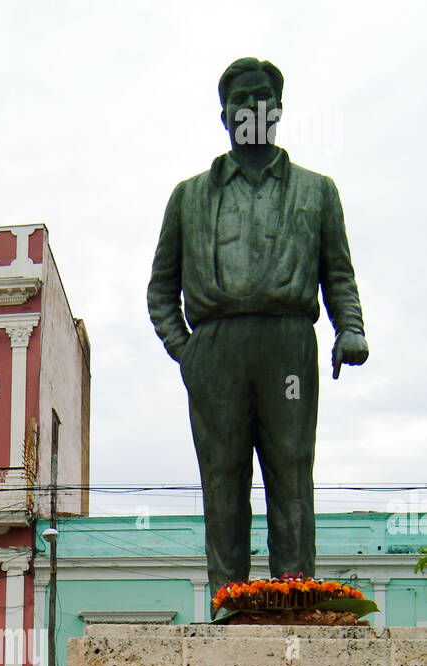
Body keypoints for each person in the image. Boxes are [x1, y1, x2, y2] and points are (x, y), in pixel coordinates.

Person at [147, 58, 369, 596]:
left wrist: (351, 328)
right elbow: (160, 290)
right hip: (216, 348)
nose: (252, 107)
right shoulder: (188, 196)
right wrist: (190, 353)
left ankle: (294, 595)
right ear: (223, 114)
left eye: (262, 97)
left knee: (291, 471)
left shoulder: (317, 191)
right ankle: (229, 599)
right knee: (222, 479)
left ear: (279, 110)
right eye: (241, 98)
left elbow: (337, 273)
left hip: (288, 344)